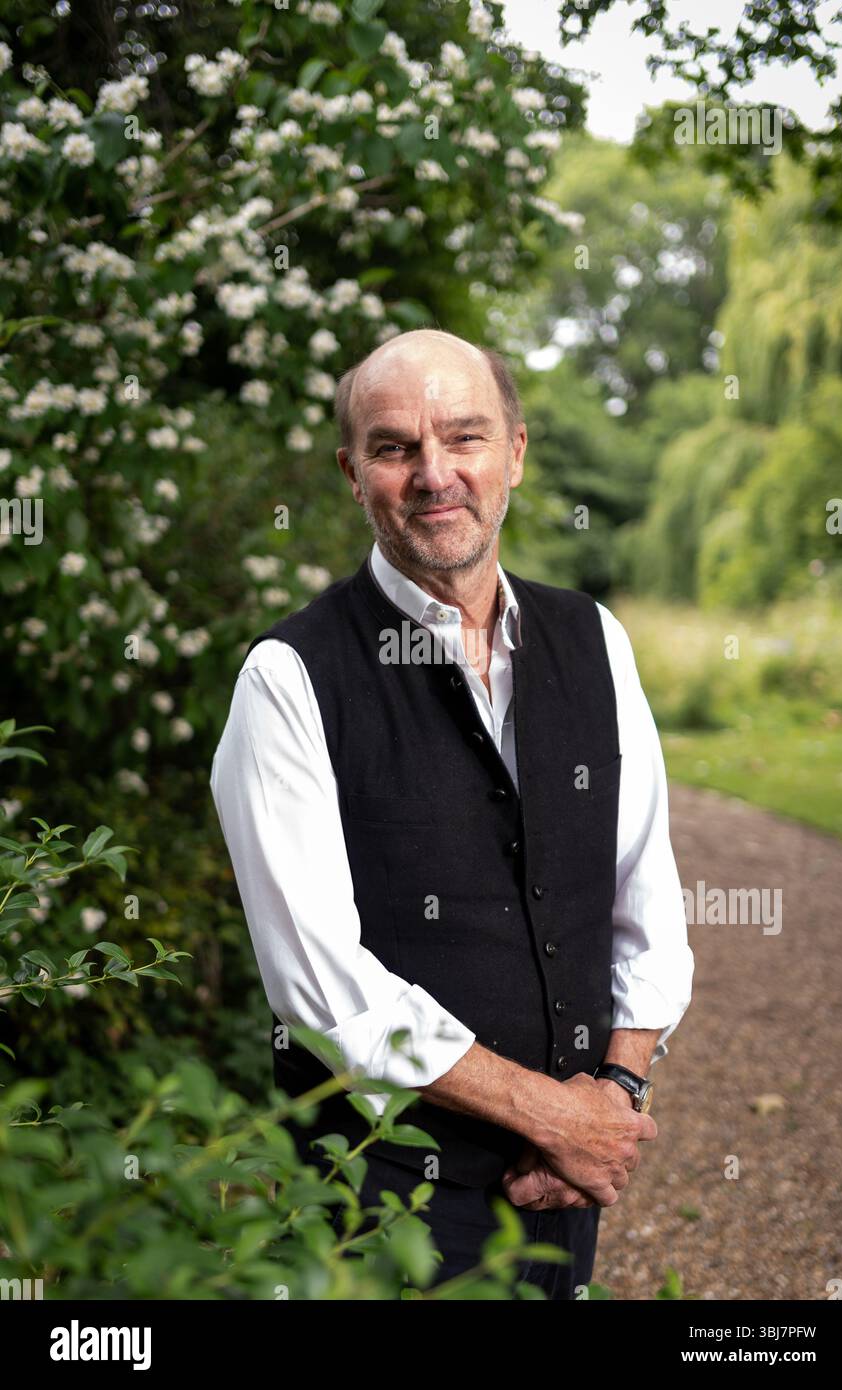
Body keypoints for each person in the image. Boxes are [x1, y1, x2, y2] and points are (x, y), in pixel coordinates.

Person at [210, 328, 694, 1299]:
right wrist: (551, 1114)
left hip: (565, 1182)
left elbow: (645, 897)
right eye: (394, 448)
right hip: (379, 1197)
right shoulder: (288, 678)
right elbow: (321, 986)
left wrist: (614, 1093)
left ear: (514, 451)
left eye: (464, 437)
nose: (435, 474)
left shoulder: (593, 638)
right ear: (353, 475)